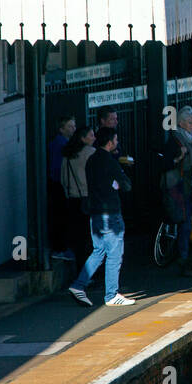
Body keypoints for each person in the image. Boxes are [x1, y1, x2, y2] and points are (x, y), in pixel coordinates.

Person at [68, 127, 135, 307]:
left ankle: (79, 284)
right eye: (116, 139)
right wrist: (119, 182)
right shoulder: (111, 162)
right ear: (110, 142)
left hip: (95, 212)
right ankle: (111, 295)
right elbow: (126, 185)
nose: (117, 142)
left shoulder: (91, 160)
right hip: (111, 214)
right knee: (115, 254)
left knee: (98, 251)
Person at [166, 106, 192, 276]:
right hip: (182, 188)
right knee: (184, 226)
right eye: (189, 122)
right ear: (181, 123)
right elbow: (168, 163)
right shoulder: (176, 139)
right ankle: (183, 261)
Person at [60, 125, 96, 262]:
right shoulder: (90, 152)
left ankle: (81, 268)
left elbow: (63, 179)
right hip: (87, 197)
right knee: (91, 235)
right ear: (83, 138)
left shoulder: (67, 156)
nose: (94, 138)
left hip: (72, 198)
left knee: (78, 236)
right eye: (91, 135)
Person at [47, 115, 76, 260]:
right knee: (61, 216)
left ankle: (61, 247)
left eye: (74, 126)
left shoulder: (61, 143)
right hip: (59, 185)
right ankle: (60, 248)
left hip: (58, 183)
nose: (73, 129)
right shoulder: (61, 145)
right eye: (70, 126)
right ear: (61, 129)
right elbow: (58, 168)